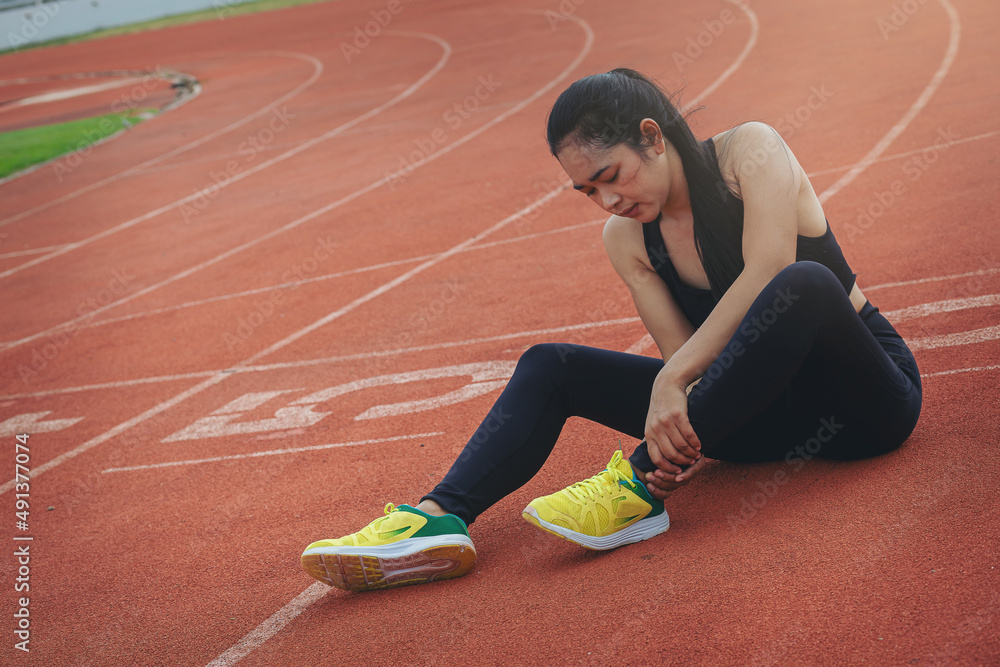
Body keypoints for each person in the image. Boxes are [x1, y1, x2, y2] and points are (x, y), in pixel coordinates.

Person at [300, 68, 922, 591]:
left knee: (802, 284)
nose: (607, 202)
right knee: (551, 364)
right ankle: (436, 520)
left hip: (863, 403)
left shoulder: (750, 151)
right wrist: (679, 390)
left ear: (652, 137)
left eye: (611, 176)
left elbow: (768, 271)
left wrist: (672, 383)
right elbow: (692, 361)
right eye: (586, 191)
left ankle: (632, 488)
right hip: (753, 422)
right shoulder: (626, 239)